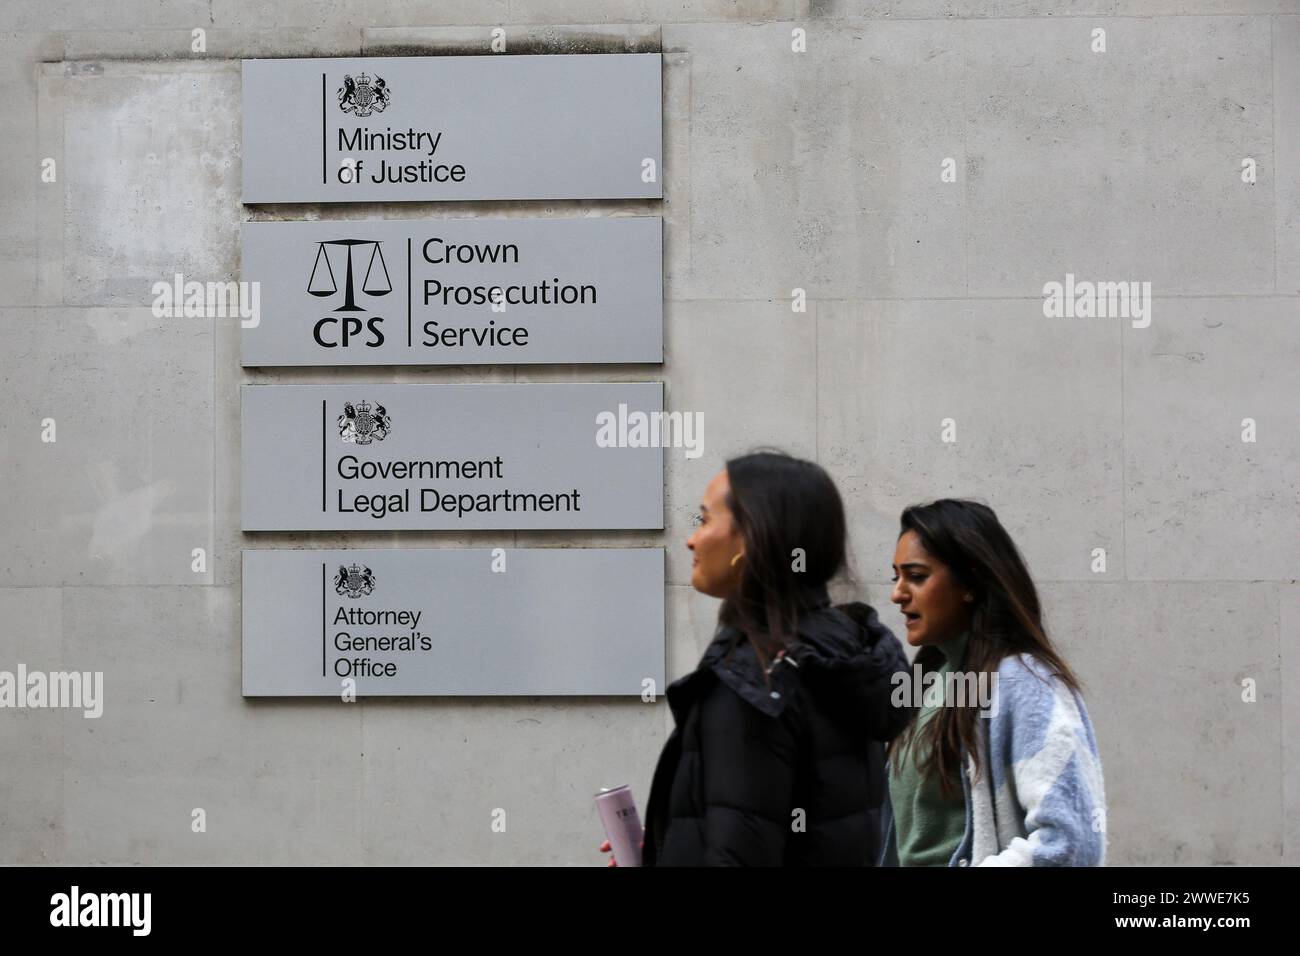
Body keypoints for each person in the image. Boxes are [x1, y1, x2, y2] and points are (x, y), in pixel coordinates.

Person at [601, 451, 910, 866]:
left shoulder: (753, 682)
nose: (692, 539)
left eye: (705, 519)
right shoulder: (844, 659)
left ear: (752, 538)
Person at [883, 499, 1107, 866]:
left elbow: (1072, 841)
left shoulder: (1024, 683)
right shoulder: (926, 681)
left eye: (917, 576)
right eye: (897, 577)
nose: (898, 593)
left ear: (969, 582)